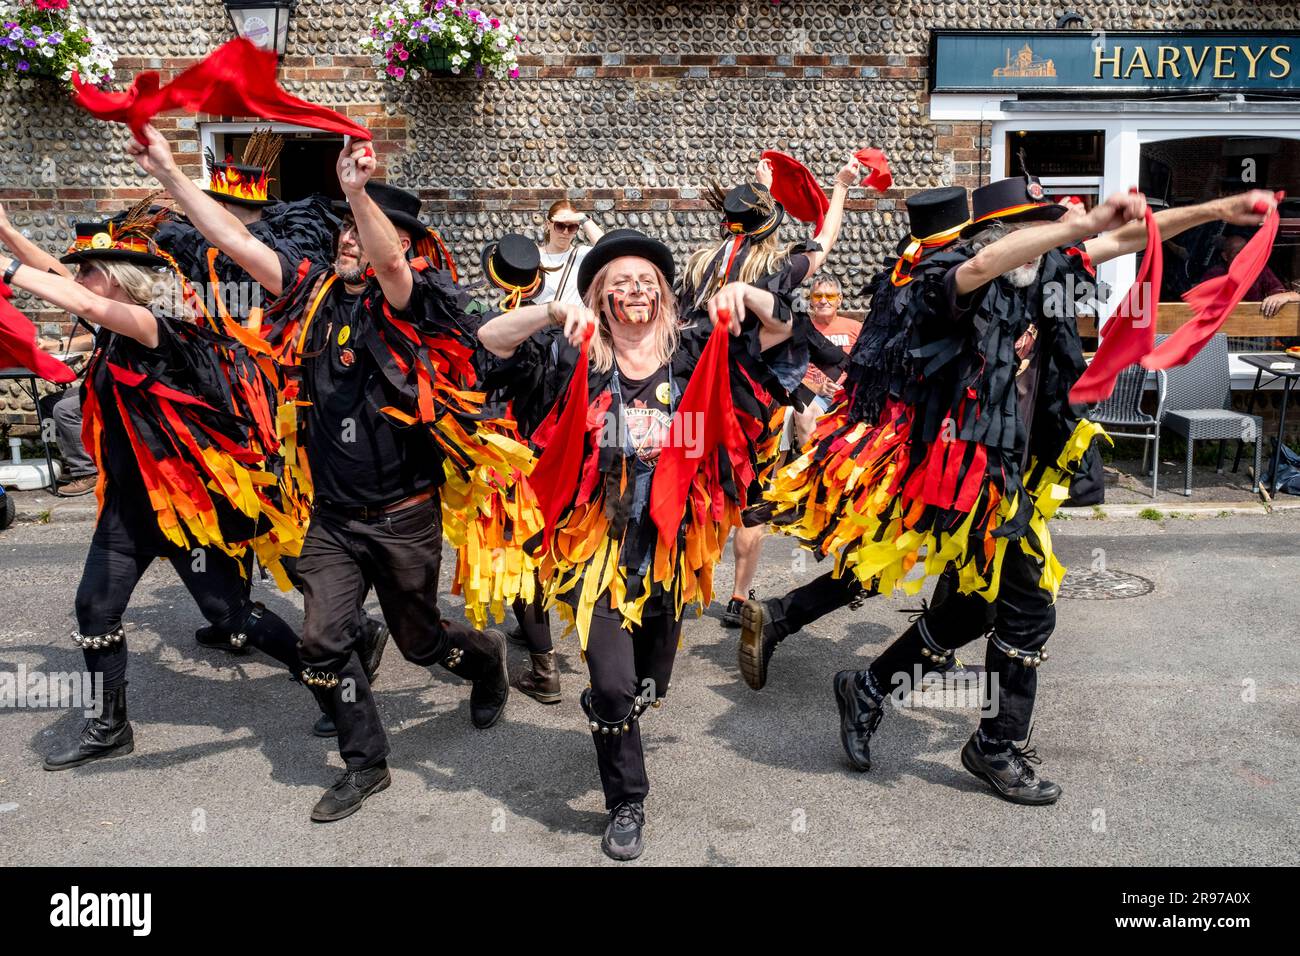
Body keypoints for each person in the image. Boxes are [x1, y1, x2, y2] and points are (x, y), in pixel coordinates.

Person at [828, 178, 1279, 805]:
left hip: (1015, 477)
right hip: (964, 479)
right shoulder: (948, 281)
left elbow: (1127, 238)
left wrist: (1220, 209)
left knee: (970, 609)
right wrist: (1077, 222)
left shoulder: (1044, 274)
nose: (1046, 242)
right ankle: (996, 746)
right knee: (1030, 610)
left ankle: (869, 687)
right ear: (1001, 234)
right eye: (1031, 229)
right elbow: (989, 262)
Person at [130, 124, 521, 822]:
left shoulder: (410, 306)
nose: (348, 240)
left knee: (421, 640)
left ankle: (485, 662)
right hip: (332, 521)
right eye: (342, 231)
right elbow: (236, 241)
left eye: (361, 234)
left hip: (403, 517)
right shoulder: (308, 293)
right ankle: (365, 763)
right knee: (319, 643)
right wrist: (169, 174)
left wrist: (358, 191)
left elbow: (393, 268)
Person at [477, 227, 801, 861]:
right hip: (598, 546)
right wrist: (550, 309)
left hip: (671, 550)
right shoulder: (577, 351)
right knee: (615, 685)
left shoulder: (697, 351)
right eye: (618, 281)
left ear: (662, 293)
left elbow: (785, 329)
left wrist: (742, 292)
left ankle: (622, 699)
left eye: (645, 280)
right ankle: (627, 799)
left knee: (651, 679)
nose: (633, 290)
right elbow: (488, 342)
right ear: (599, 294)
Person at [0, 204, 310, 772]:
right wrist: (7, 232)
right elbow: (60, 277)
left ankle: (328, 678)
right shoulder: (111, 322)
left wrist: (3, 271)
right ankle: (110, 726)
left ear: (118, 280)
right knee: (94, 611)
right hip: (127, 513)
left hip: (182, 512)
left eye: (90, 270)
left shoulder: (152, 327)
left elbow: (85, 299)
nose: (78, 279)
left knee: (231, 616)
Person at [740, 185, 972, 691]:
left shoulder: (901, 278)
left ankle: (785, 616)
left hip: (905, 436)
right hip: (930, 442)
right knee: (934, 545)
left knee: (899, 548)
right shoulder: (945, 280)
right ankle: (792, 618)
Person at [681, 156, 860, 628]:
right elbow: (823, 242)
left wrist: (761, 189)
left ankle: (678, 582)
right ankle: (738, 598)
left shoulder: (700, 265)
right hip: (750, 404)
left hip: (695, 394)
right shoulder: (778, 264)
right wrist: (840, 187)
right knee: (751, 500)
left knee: (695, 488)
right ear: (771, 228)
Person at [0, 204, 101, 495]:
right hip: (106, 386)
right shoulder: (110, 306)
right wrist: (56, 345)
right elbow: (98, 338)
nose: (78, 278)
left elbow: (58, 280)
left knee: (65, 409)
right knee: (50, 403)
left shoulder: (134, 307)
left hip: (132, 399)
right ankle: (81, 459)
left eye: (87, 270)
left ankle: (88, 472)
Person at [790, 273, 860, 448]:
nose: (823, 301)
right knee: (803, 412)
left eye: (829, 296)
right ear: (811, 300)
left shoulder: (856, 329)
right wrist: (817, 388)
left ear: (839, 299)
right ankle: (808, 468)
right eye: (818, 295)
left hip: (848, 393)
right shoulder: (800, 331)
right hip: (814, 394)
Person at [535, 199, 603, 306]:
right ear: (548, 225)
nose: (565, 232)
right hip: (542, 321)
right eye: (560, 226)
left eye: (572, 227)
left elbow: (609, 248)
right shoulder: (534, 257)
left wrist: (582, 218)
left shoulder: (583, 255)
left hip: (576, 321)